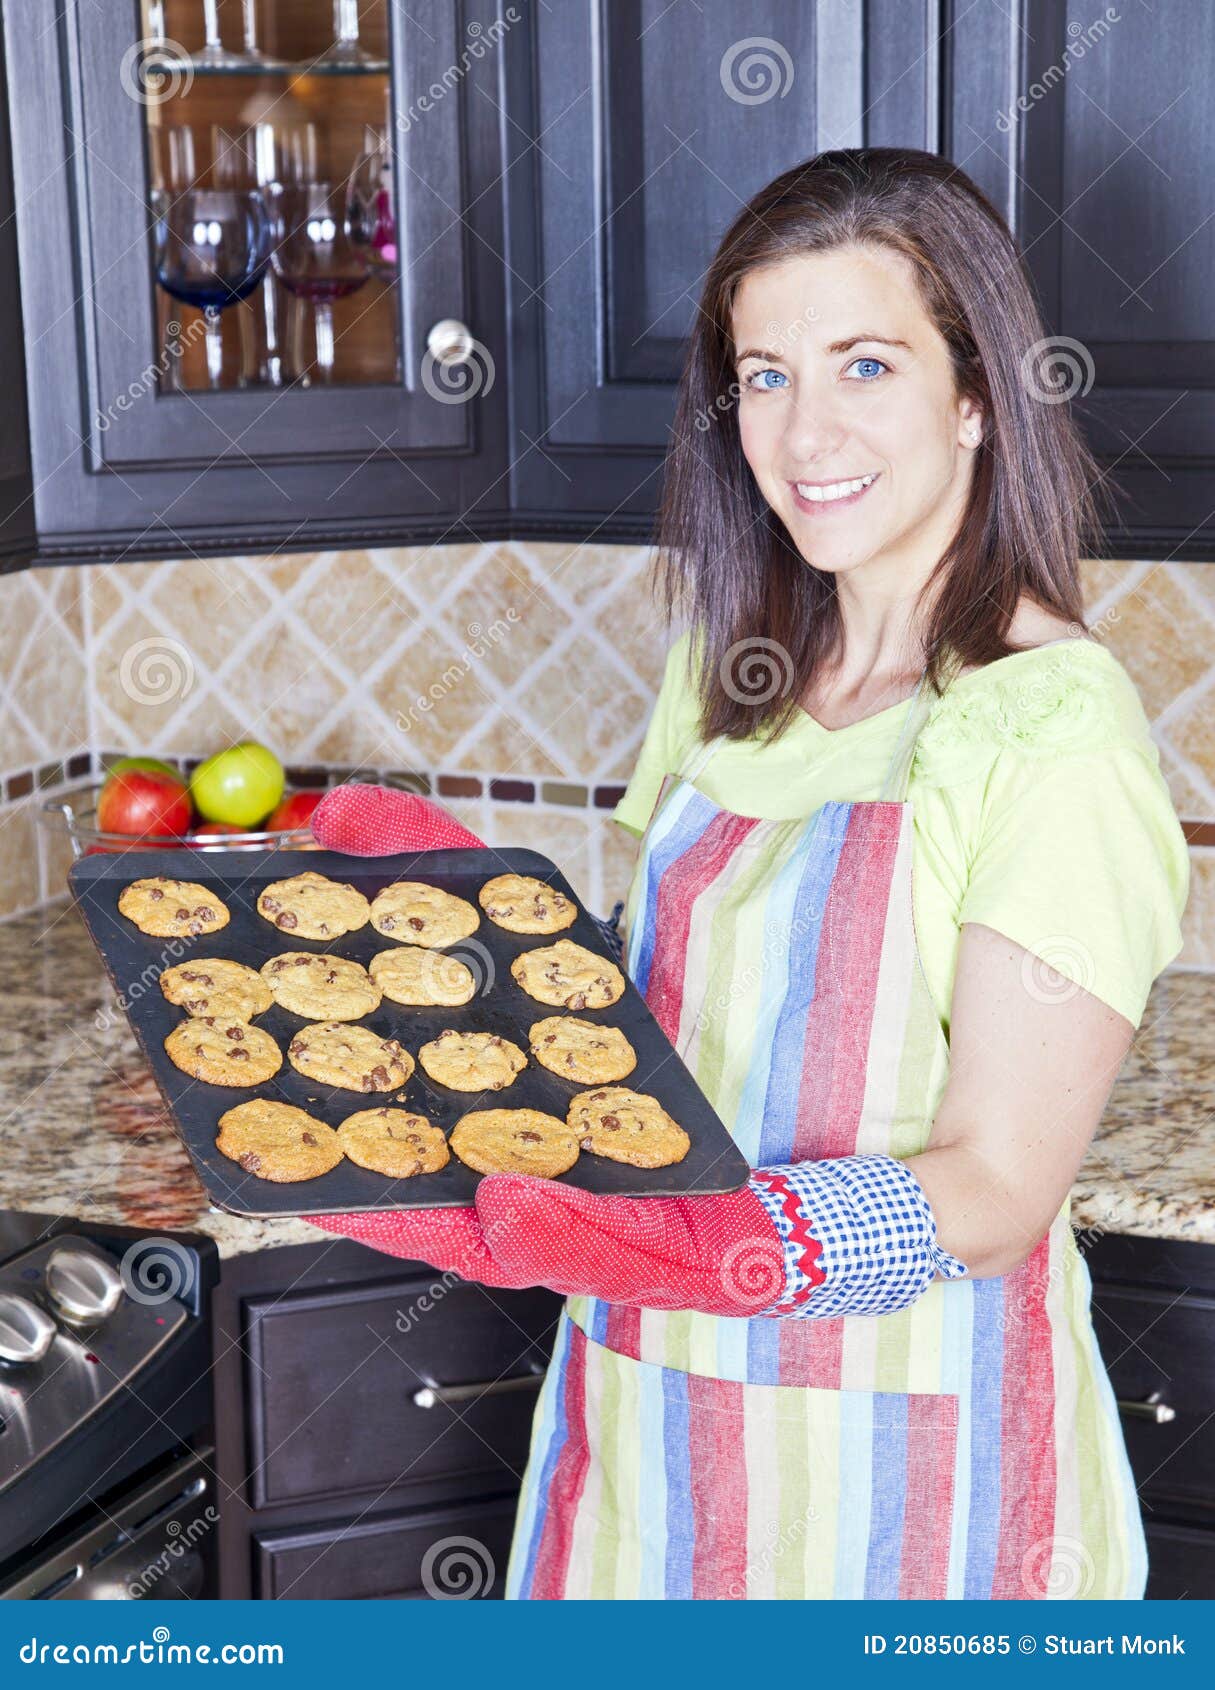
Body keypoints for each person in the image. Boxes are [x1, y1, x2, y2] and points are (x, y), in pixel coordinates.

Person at [307, 147, 1189, 1600]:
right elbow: (646, 1033)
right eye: (763, 374)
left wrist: (723, 1244)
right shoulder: (729, 679)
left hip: (917, 1492)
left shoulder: (1050, 724)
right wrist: (468, 958)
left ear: (977, 395)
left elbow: (1001, 1184)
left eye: (863, 364)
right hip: (647, 1433)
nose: (803, 430)